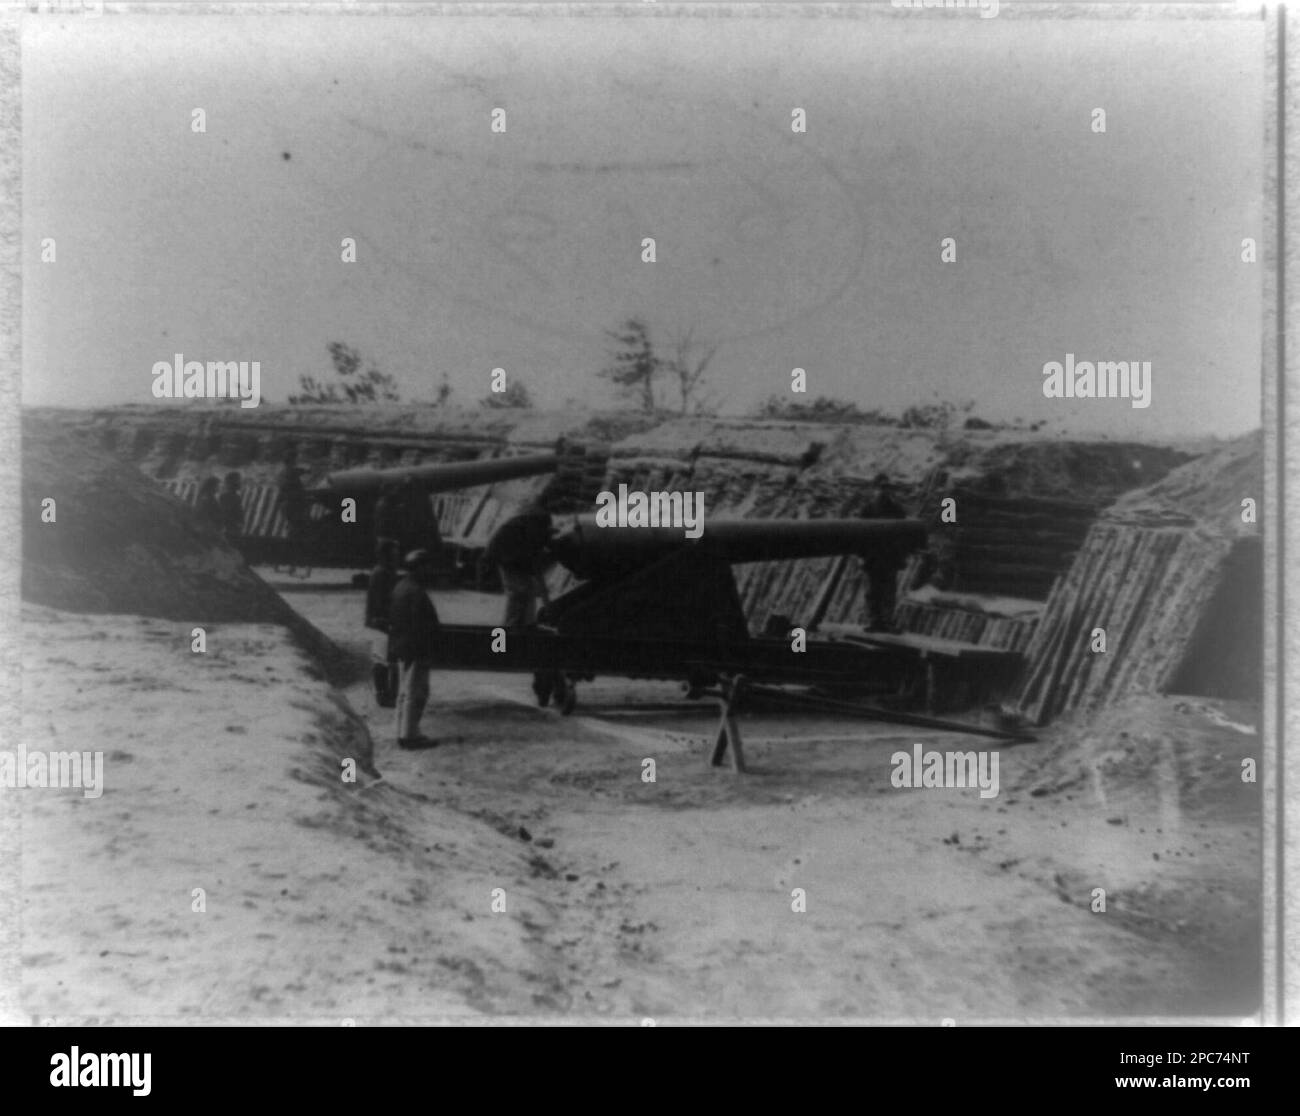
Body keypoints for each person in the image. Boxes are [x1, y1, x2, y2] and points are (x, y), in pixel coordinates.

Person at [388, 548, 441, 749]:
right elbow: (421, 626)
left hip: (403, 647)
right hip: (416, 649)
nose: (430, 571)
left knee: (404, 692)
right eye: (427, 567)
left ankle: (401, 731)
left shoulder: (401, 587)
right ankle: (410, 736)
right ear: (419, 568)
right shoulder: (416, 592)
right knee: (415, 693)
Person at [485, 497, 554, 628]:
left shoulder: (537, 520)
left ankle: (527, 623)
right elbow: (532, 554)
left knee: (526, 589)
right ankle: (512, 625)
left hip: (512, 553)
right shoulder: (538, 523)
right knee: (519, 591)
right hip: (507, 554)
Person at [861, 473, 907, 633]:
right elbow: (860, 535)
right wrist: (862, 555)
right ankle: (874, 621)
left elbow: (903, 534)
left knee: (888, 591)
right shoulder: (868, 509)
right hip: (873, 557)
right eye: (881, 487)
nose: (884, 491)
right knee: (872, 592)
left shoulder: (896, 510)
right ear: (875, 489)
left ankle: (888, 622)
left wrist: (901, 555)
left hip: (889, 557)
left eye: (887, 488)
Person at [365, 540, 400, 708]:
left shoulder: (383, 571)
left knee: (384, 659)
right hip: (380, 623)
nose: (397, 556)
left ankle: (385, 694)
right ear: (386, 555)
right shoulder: (382, 574)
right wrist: (389, 620)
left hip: (379, 622)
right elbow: (380, 602)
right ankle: (383, 695)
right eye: (394, 553)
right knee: (382, 659)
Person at [218, 472, 244, 542]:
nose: (241, 484)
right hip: (230, 530)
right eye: (239, 481)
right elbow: (225, 514)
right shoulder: (226, 497)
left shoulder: (236, 497)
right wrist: (236, 523)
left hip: (234, 529)